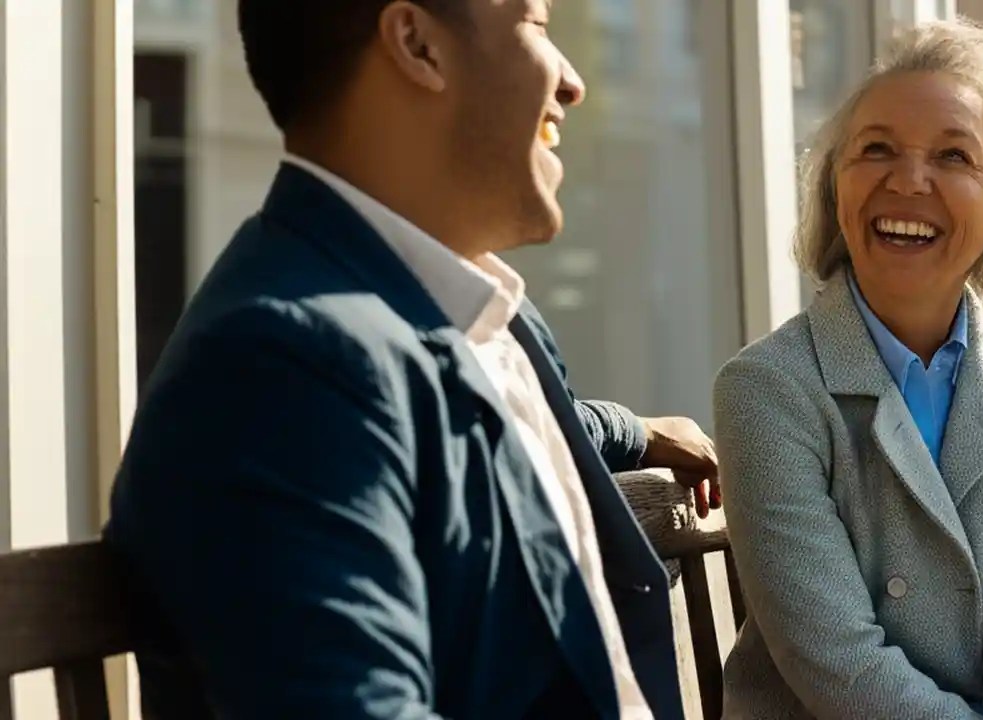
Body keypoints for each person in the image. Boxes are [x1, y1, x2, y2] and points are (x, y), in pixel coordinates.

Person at [105, 1, 718, 718]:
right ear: (418, 44)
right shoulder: (278, 372)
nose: (573, 82)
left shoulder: (466, 318)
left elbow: (474, 437)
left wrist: (633, 430)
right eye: (538, 25)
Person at [713, 19, 983, 719]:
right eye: (877, 150)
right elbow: (843, 667)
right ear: (837, 188)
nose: (908, 179)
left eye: (954, 156)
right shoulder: (767, 390)